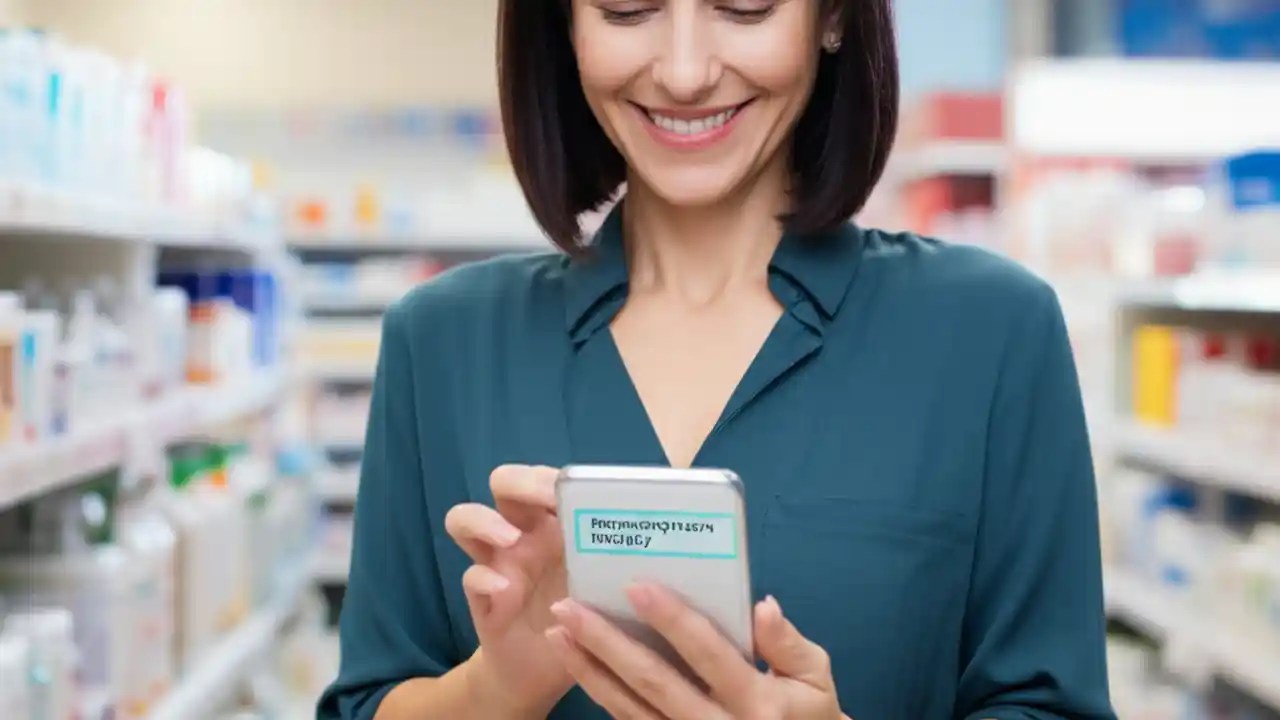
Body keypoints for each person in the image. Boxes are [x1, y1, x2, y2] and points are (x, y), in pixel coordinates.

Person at [318, 0, 1117, 718]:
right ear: (564, 25)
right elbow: (370, 698)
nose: (686, 71)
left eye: (745, 7)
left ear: (832, 17)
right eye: (628, 10)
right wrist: (500, 687)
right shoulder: (445, 342)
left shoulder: (989, 332)